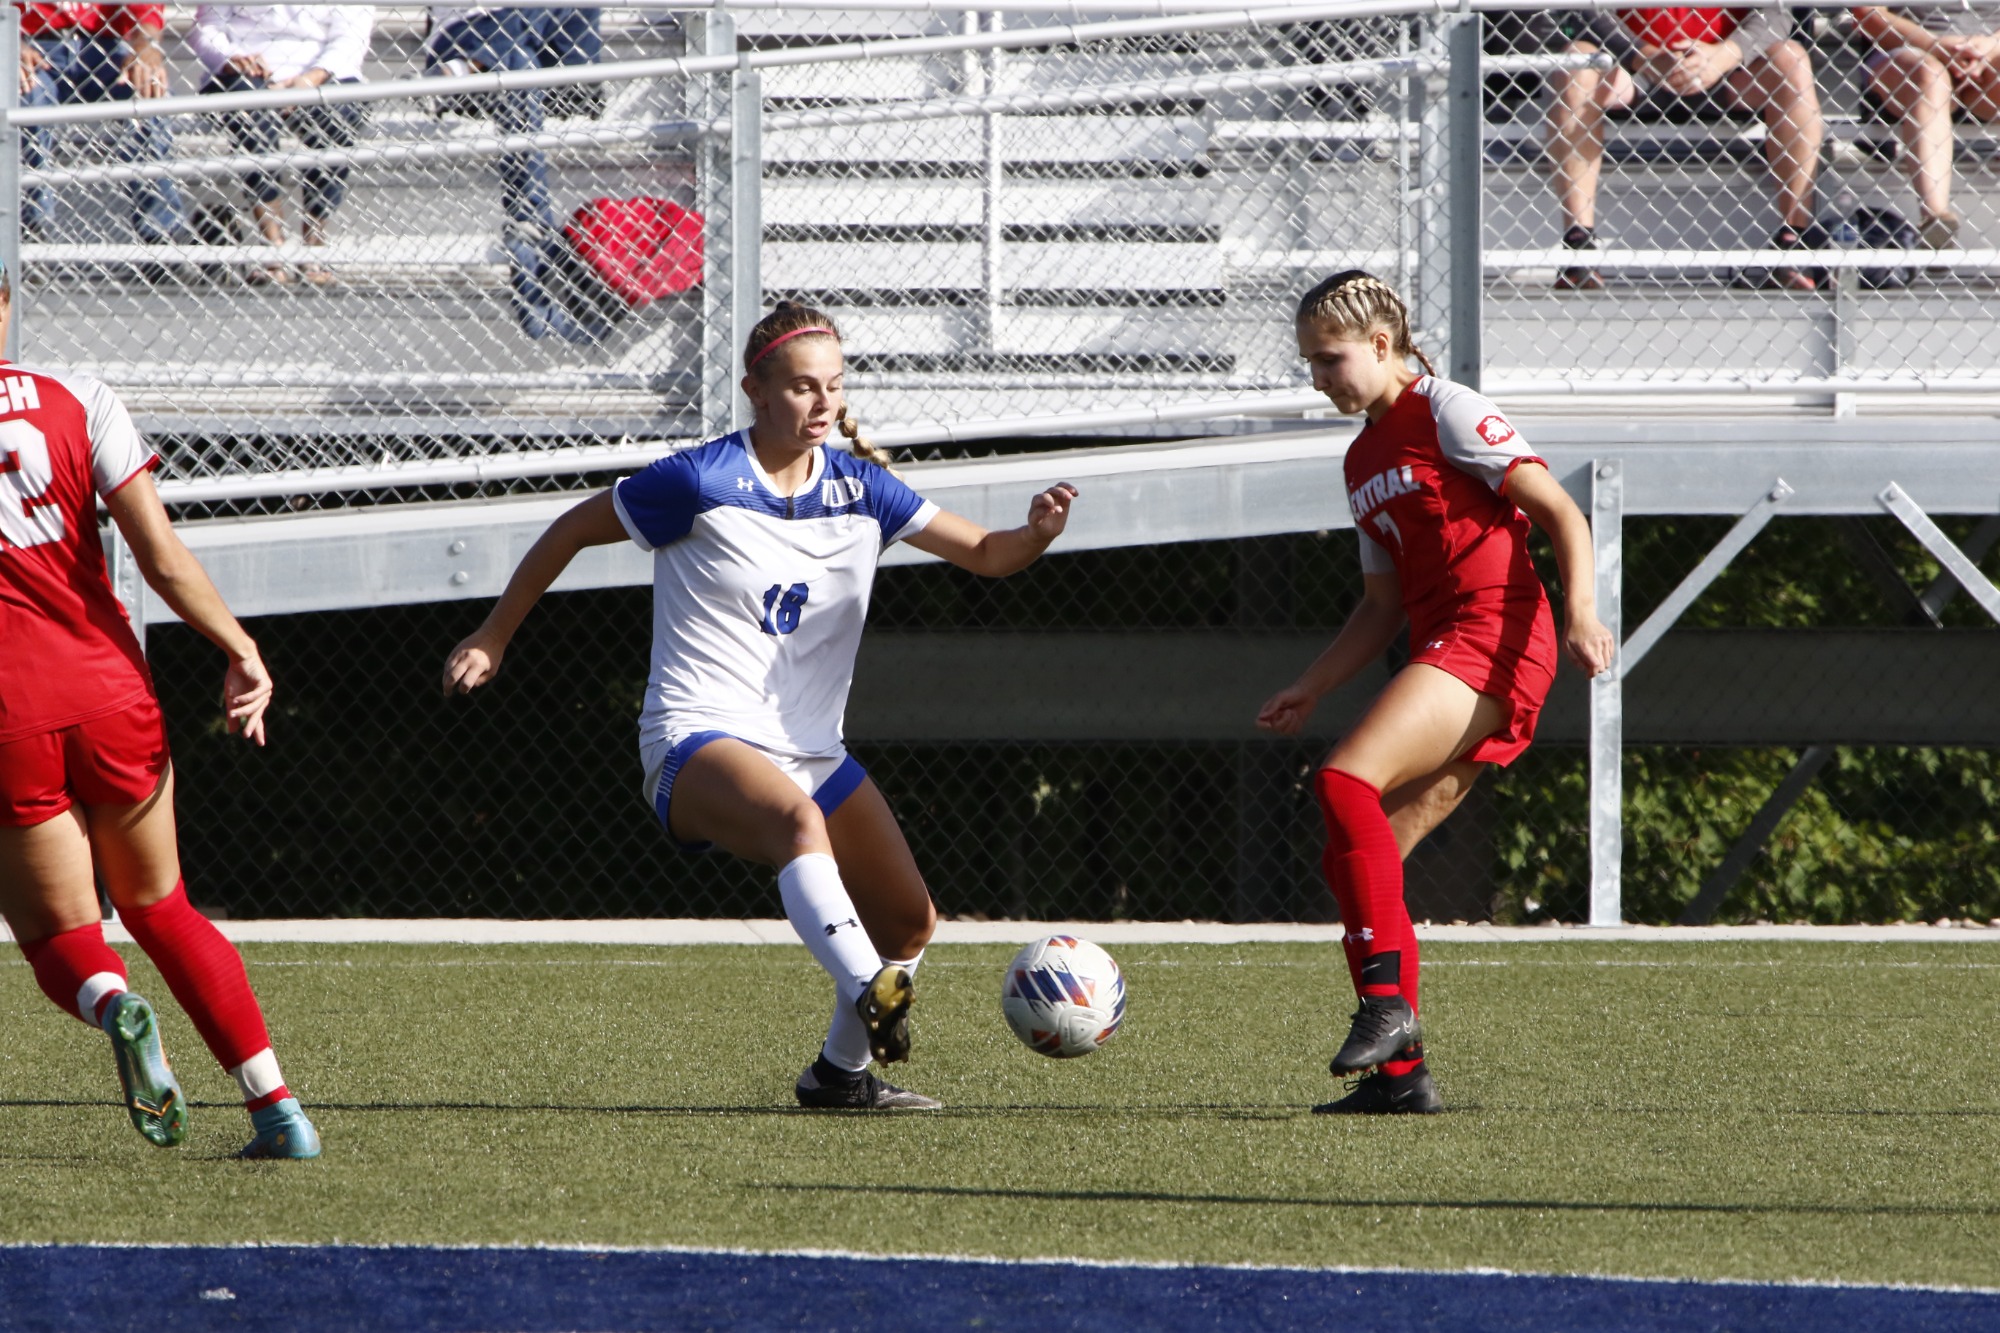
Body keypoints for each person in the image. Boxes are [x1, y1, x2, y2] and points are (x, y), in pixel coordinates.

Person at [442, 301, 1079, 1111]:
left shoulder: (863, 488)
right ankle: (871, 991)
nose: (822, 404)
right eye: (802, 387)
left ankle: (840, 1075)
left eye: (835, 387)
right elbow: (571, 527)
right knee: (797, 828)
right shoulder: (700, 479)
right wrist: (494, 634)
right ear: (754, 390)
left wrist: (1037, 533)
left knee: (909, 919)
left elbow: (988, 554)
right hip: (694, 740)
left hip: (811, 749)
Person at [1257, 271, 1615, 1116]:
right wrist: (1310, 685)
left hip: (1496, 634)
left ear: (1383, 345)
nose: (1318, 377)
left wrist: (1583, 611)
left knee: (1345, 782)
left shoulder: (1447, 408)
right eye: (1309, 362)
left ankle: (1385, 1008)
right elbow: (1381, 608)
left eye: (1329, 358)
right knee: (1356, 856)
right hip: (1449, 642)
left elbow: (1562, 511)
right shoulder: (1360, 457)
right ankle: (1400, 1077)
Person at [0, 263, 319, 1158]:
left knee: (60, 935)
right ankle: (278, 1110)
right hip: (110, 692)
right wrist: (238, 647)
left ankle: (114, 1004)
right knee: (163, 906)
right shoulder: (79, 395)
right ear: (6, 302)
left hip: (8, 713)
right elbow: (161, 556)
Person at [1542, 6, 1825, 290]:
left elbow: (1778, 10)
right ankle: (1579, 244)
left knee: (1792, 58)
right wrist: (1645, 56)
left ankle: (1794, 240)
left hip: (1728, 69)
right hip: (1632, 69)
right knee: (1577, 59)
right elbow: (1586, 9)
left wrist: (1727, 54)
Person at [425, 6, 604, 341]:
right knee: (518, 52)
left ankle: (461, 70)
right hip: (467, 35)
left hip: (544, 55)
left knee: (525, 38)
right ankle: (531, 225)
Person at [187, 4, 375, 286]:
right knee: (249, 112)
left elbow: (351, 34)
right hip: (246, 70)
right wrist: (231, 58)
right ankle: (273, 244)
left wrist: (311, 78)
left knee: (338, 118)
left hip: (325, 72)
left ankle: (313, 245)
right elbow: (207, 27)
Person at [18, 2, 190, 244]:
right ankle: (30, 232)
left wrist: (146, 45)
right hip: (34, 44)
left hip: (106, 44)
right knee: (26, 98)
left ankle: (162, 235)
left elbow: (146, 10)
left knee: (150, 95)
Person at [1852, 4, 2000, 250]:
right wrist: (1937, 47)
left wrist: (1991, 45)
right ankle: (1936, 220)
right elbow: (1867, 14)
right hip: (1908, 53)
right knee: (1927, 74)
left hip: (1989, 55)